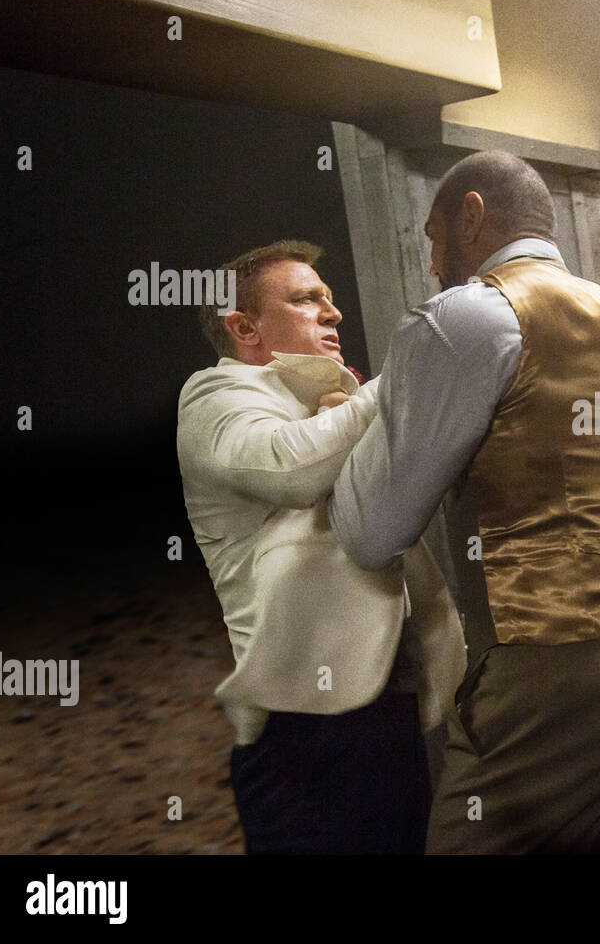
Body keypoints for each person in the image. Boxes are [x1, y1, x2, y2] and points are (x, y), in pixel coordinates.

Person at [328, 150, 600, 854]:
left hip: (552, 679)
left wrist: (374, 407)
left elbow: (370, 531)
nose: (431, 261)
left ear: (472, 215)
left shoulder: (465, 319)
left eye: (433, 237)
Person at [176, 239, 465, 854]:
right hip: (301, 734)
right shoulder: (215, 397)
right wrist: (407, 374)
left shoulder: (331, 404)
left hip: (381, 713)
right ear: (244, 325)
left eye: (329, 299)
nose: (332, 313)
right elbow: (290, 467)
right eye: (306, 300)